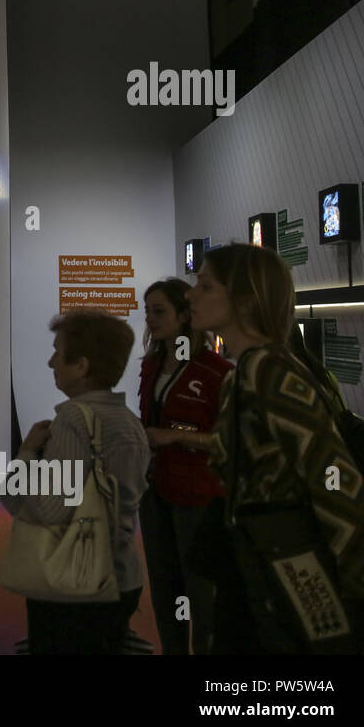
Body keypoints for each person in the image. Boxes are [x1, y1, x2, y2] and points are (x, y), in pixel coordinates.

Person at [186, 243, 364, 653]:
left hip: (282, 570)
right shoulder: (260, 367)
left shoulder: (267, 369)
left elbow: (333, 479)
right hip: (264, 568)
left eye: (205, 285)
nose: (191, 294)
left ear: (245, 299)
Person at [3, 309, 150, 655]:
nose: (51, 362)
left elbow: (49, 510)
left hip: (73, 584)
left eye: (57, 352)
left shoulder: (73, 419)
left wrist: (25, 456)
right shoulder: (130, 422)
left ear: (81, 365)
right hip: (123, 575)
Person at [137, 279, 231, 654]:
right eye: (147, 311)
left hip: (198, 495)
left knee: (202, 594)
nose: (150, 319)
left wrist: (176, 437)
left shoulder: (216, 371)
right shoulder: (151, 365)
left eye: (159, 311)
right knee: (165, 590)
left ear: (185, 315)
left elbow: (229, 440)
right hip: (155, 491)